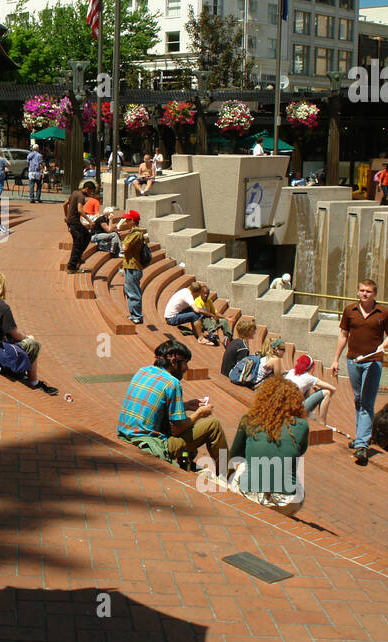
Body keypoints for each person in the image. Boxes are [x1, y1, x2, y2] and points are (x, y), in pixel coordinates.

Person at [118, 339, 228, 471]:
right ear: (174, 362)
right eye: (185, 363)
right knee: (212, 425)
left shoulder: (143, 371)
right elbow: (177, 429)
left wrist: (186, 405)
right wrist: (199, 414)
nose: (186, 368)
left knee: (187, 428)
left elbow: (158, 406)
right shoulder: (172, 383)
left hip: (126, 435)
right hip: (151, 445)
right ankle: (227, 474)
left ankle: (186, 465)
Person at [228, 377, 308, 513]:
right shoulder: (302, 426)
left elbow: (234, 455)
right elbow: (299, 451)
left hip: (249, 494)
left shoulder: (249, 420)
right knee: (295, 473)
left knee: (242, 465)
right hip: (286, 502)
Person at [330, 278, 388, 466]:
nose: (364, 294)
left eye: (368, 291)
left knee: (367, 401)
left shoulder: (383, 312)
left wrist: (383, 346)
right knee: (358, 400)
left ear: (374, 294)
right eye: (362, 290)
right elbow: (343, 335)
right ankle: (361, 437)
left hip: (373, 362)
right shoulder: (350, 311)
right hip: (353, 361)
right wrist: (335, 359)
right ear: (358, 292)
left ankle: (362, 445)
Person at [0, 272, 58, 394]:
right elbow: (16, 335)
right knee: (33, 344)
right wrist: (28, 337)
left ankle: (21, 373)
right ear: (1, 287)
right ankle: (34, 382)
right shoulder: (1, 306)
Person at [284, 352, 336, 425]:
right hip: (295, 411)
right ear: (310, 367)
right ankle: (322, 423)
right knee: (326, 392)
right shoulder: (309, 378)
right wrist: (327, 397)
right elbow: (333, 389)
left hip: (284, 407)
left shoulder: (291, 371)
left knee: (307, 389)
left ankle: (308, 416)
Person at [63, 179, 99, 273]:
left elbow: (65, 204)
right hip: (74, 223)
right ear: (87, 189)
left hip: (73, 222)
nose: (91, 194)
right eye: (91, 191)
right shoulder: (81, 196)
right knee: (77, 243)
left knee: (87, 235)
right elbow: (80, 209)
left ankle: (78, 257)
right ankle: (71, 267)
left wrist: (66, 217)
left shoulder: (75, 192)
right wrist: (89, 221)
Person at [119, 209, 148, 324]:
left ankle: (137, 315)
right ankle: (133, 314)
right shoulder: (132, 233)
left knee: (133, 292)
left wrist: (123, 240)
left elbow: (125, 247)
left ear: (132, 221)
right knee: (129, 290)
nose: (126, 221)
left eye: (127, 220)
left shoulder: (136, 234)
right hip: (130, 267)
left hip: (134, 268)